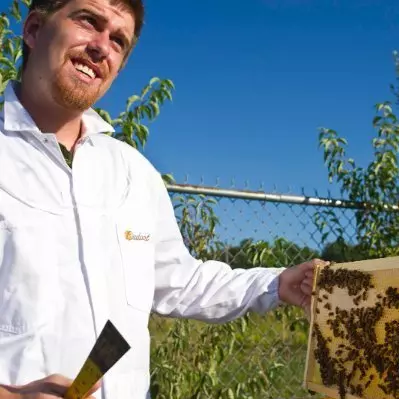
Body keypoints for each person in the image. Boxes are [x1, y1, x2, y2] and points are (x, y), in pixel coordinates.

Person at [0, 0, 329, 398]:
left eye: (118, 41)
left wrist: (276, 284)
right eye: (89, 21)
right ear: (34, 30)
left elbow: (181, 281)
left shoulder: (132, 172)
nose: (102, 47)